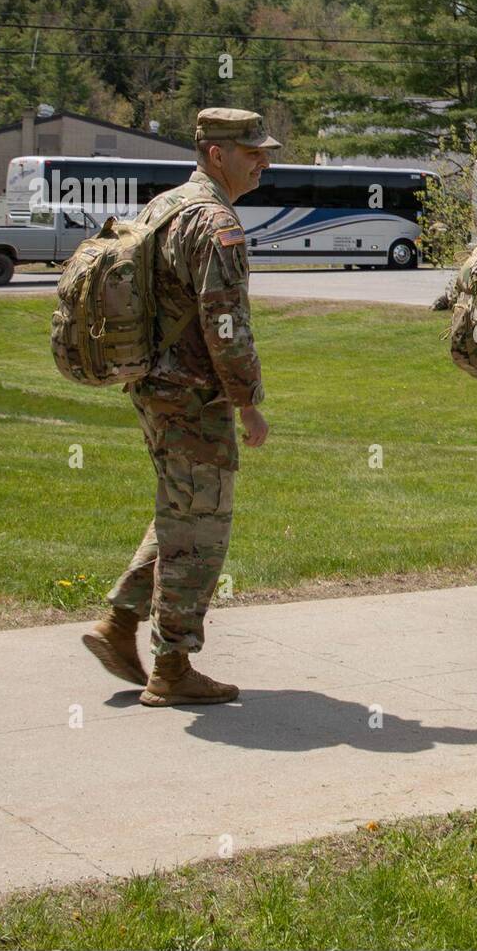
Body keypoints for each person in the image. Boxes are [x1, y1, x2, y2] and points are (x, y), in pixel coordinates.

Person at [82, 108, 276, 705]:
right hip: (192, 393)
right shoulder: (214, 220)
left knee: (180, 507)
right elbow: (225, 324)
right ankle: (173, 665)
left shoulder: (163, 205)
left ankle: (118, 622)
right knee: (202, 525)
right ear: (216, 155)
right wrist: (247, 403)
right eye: (251, 152)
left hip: (153, 384)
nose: (262, 160)